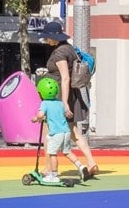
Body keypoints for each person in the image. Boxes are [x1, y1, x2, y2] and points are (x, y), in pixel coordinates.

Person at [41, 20, 99, 176]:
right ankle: (91, 162)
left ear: (54, 37)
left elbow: (65, 78)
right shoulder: (70, 49)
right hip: (71, 94)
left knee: (48, 132)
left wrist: (64, 103)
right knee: (74, 131)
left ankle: (49, 168)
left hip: (58, 97)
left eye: (47, 37)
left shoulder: (59, 53)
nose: (46, 40)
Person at [31, 76, 90, 182]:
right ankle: (81, 166)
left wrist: (35, 119)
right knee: (67, 152)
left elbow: (40, 115)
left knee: (52, 153)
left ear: (41, 93)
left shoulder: (45, 103)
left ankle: (54, 175)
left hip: (56, 133)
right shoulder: (60, 103)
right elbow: (63, 114)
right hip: (66, 132)